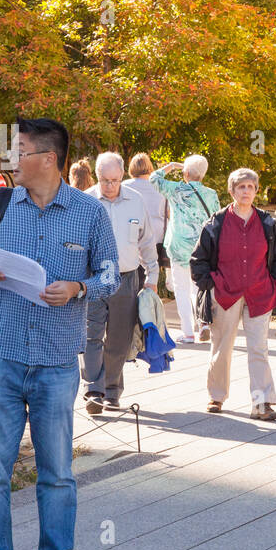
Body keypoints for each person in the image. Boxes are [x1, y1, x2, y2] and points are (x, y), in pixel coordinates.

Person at [0, 117, 120, 550]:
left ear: (48, 159)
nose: (13, 159)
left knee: (57, 471)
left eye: (21, 150)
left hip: (54, 363)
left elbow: (111, 273)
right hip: (1, 356)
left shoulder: (89, 214)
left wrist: (78, 287)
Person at [190, 167, 276, 420]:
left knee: (259, 349)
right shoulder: (216, 223)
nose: (246, 191)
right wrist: (211, 284)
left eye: (250, 187)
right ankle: (217, 396)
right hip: (225, 293)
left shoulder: (267, 223)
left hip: (260, 293)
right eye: (241, 187)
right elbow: (197, 260)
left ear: (256, 191)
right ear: (232, 191)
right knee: (222, 347)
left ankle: (261, 403)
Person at [82, 152, 158, 414]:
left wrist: (153, 276)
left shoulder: (136, 202)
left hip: (126, 277)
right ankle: (93, 389)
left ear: (123, 176)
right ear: (96, 175)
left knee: (119, 338)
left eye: (115, 180)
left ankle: (112, 391)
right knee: (91, 334)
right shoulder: (85, 201)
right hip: (92, 277)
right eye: (105, 180)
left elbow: (147, 241)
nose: (110, 186)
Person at [152, 154, 221, 343]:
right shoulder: (211, 193)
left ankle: (188, 333)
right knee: (198, 287)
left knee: (181, 289)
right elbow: (216, 218)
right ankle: (203, 322)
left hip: (180, 247)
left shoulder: (176, 190)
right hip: (201, 247)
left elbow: (154, 178)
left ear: (186, 172)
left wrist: (172, 165)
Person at [123, 152, 169, 287]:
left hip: (132, 235)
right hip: (157, 235)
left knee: (134, 273)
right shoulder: (160, 186)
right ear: (149, 167)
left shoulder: (124, 186)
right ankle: (148, 300)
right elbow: (167, 214)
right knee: (151, 273)